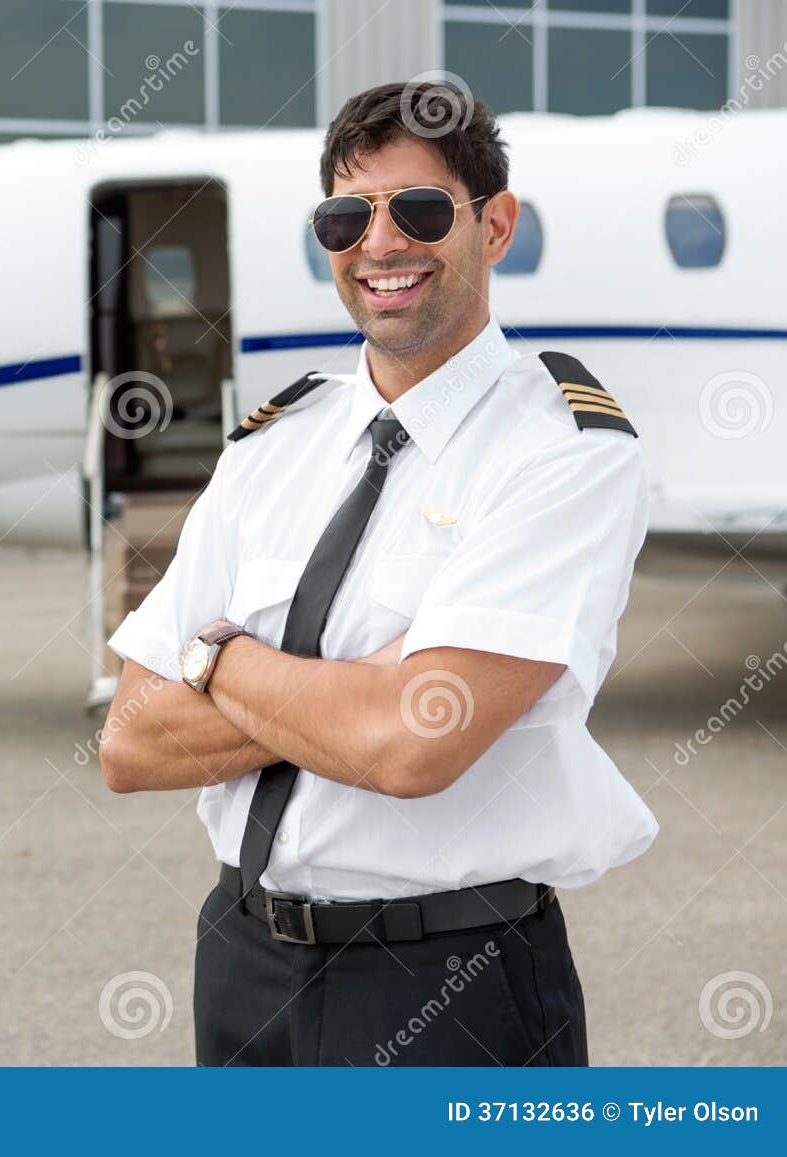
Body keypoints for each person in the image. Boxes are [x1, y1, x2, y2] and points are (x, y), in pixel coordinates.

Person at [99, 80, 657, 1067]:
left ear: (495, 225)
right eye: (345, 217)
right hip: (239, 960)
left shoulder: (564, 449)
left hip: (451, 979)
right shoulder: (270, 447)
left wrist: (214, 658)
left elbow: (410, 746)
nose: (380, 242)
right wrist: (356, 687)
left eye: (420, 209)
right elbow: (131, 744)